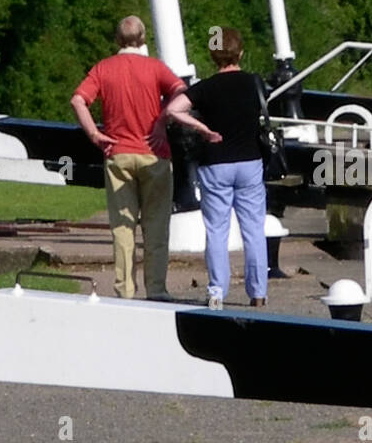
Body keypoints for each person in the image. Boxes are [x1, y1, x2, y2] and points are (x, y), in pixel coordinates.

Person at [71, 16, 186, 300]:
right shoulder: (156, 68)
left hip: (118, 153)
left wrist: (94, 135)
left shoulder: (103, 68)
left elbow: (78, 100)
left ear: (118, 40)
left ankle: (125, 290)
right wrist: (162, 121)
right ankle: (157, 288)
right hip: (154, 153)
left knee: (123, 229)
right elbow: (183, 92)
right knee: (156, 225)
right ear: (144, 38)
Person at [162, 28, 267, 309]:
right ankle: (258, 292)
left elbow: (173, 110)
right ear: (240, 53)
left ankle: (217, 291)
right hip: (249, 161)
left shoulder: (206, 88)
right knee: (254, 229)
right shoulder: (253, 83)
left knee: (217, 230)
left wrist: (203, 129)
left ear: (212, 57)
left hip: (216, 163)